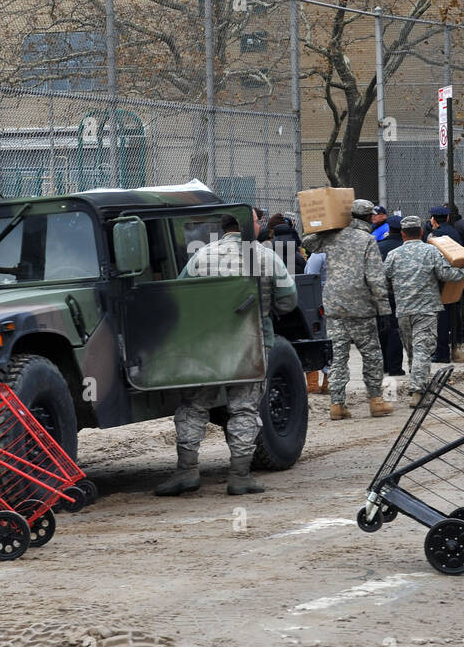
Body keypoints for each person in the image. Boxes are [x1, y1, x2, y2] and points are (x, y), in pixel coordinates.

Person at [157, 209, 298, 496]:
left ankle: (186, 471)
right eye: (258, 220)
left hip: (206, 346)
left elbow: (181, 296)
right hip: (252, 344)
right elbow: (288, 301)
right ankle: (239, 475)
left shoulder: (201, 256)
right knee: (244, 407)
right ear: (250, 223)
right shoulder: (266, 256)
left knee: (194, 406)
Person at [302, 198, 393, 420]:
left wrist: (328, 226)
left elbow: (307, 242)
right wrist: (384, 309)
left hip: (334, 305)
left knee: (338, 356)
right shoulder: (368, 240)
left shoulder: (332, 237)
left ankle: (337, 404)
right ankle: (376, 400)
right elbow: (375, 277)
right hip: (361, 306)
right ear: (370, 217)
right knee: (371, 354)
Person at [385, 216, 464, 407]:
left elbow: (384, 281)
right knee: (422, 351)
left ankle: (417, 386)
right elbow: (446, 274)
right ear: (421, 232)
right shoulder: (431, 251)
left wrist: (397, 291)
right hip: (426, 310)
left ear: (403, 234)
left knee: (413, 351)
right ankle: (418, 392)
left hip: (403, 311)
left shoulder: (393, 255)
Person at [427, 205, 464, 365]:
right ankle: (455, 343)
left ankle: (441, 351)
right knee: (452, 313)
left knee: (441, 317)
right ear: (447, 218)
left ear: (433, 219)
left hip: (442, 281)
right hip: (457, 276)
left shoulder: (436, 236)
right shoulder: (453, 232)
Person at [377, 215, 405, 377]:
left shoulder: (379, 246)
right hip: (399, 295)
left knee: (382, 329)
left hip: (380, 293)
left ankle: (385, 365)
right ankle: (395, 367)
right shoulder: (402, 247)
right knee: (395, 330)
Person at [304, 249, 330, 395]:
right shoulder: (334, 252)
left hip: (317, 303)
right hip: (332, 302)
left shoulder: (317, 256)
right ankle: (327, 382)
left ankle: (313, 384)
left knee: (312, 340)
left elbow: (310, 281)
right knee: (329, 341)